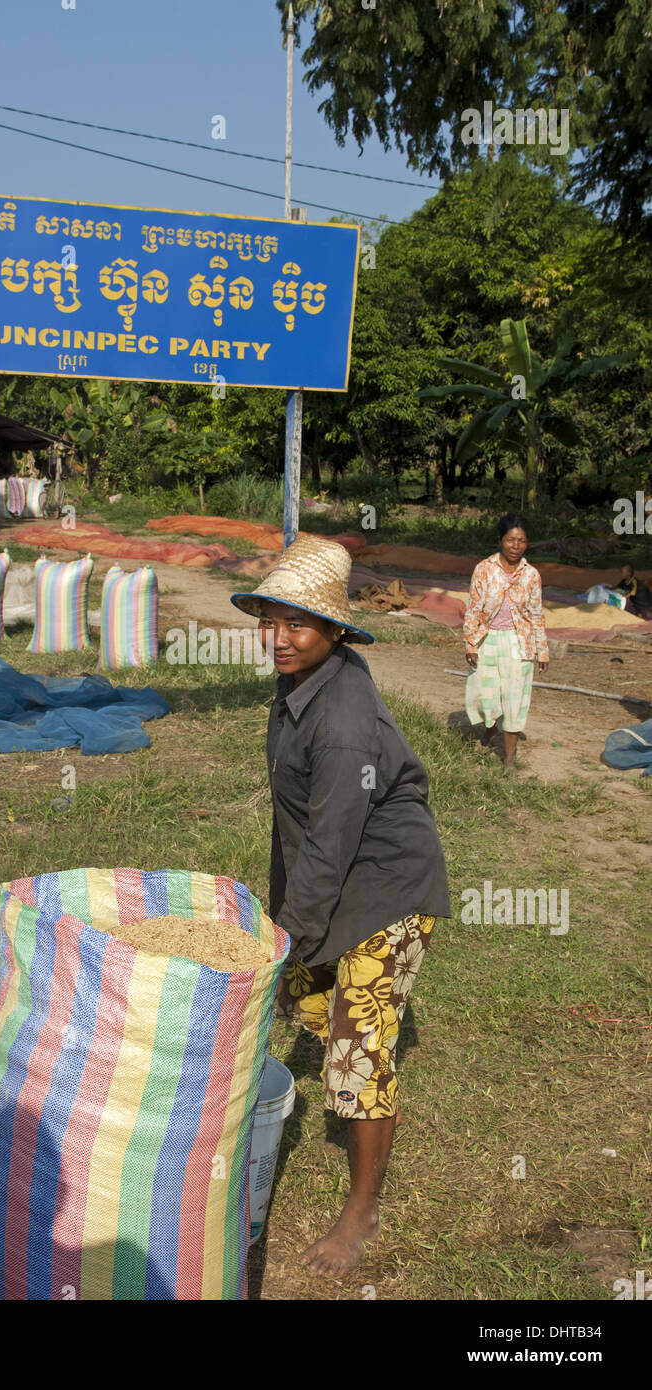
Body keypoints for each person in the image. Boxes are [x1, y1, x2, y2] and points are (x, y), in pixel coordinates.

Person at [230, 535, 450, 1278]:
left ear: (334, 631)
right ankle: (352, 1086)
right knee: (313, 1006)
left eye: (298, 624)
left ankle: (360, 1212)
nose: (280, 637)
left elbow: (330, 840)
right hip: (337, 870)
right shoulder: (296, 688)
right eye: (272, 619)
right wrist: (280, 918)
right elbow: (292, 825)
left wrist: (291, 935)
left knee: (358, 1049)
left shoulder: (345, 718)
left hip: (386, 886)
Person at [463, 514, 549, 771]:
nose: (515, 546)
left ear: (527, 544)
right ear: (500, 540)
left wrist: (542, 650)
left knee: (515, 698)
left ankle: (509, 759)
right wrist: (470, 643)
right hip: (487, 639)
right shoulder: (484, 569)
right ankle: (490, 730)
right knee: (485, 695)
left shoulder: (531, 575)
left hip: (518, 642)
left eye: (521, 541)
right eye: (511, 540)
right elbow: (473, 608)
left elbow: (536, 614)